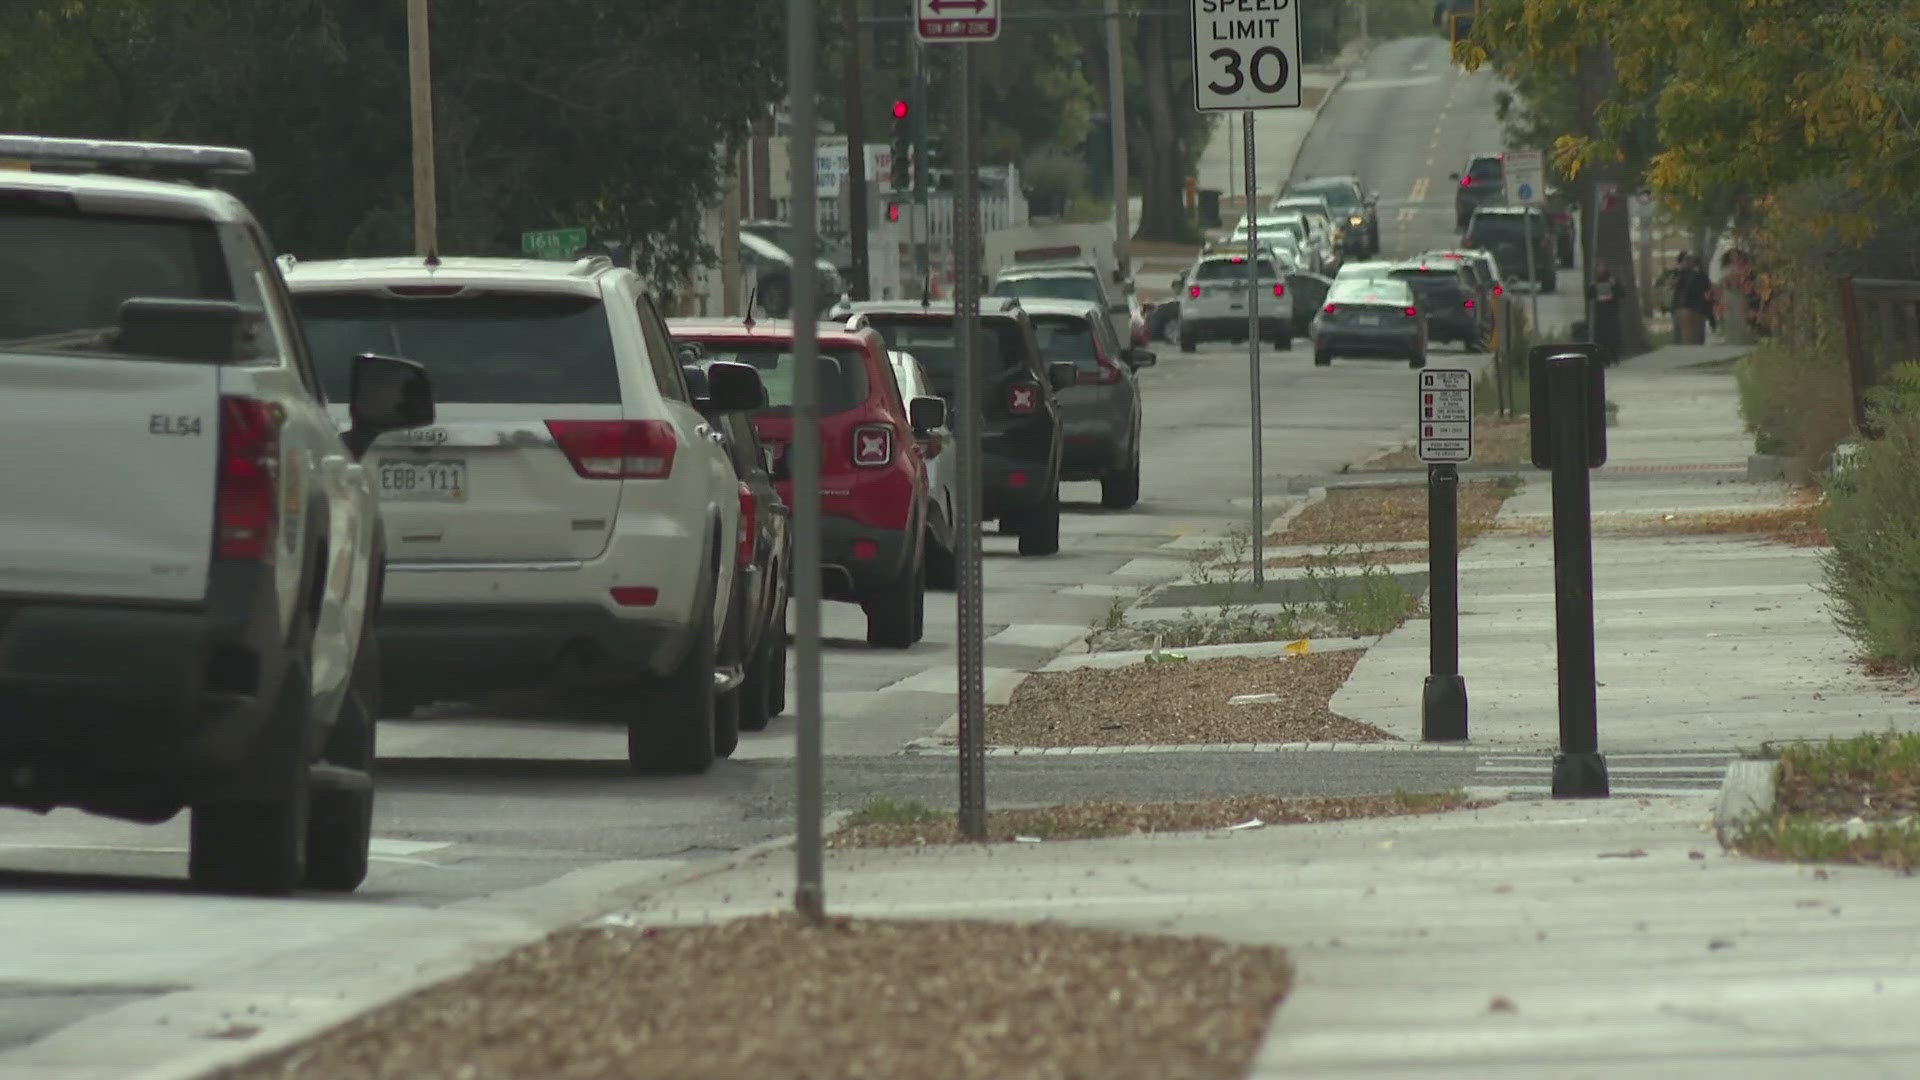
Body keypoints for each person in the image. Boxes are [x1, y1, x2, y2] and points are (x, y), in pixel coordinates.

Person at [1586, 258, 1623, 365]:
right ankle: (1604, 359)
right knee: (1602, 338)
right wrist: (1592, 287)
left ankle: (1614, 356)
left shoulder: (1613, 280)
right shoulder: (1597, 282)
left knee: (1612, 336)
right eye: (1599, 268)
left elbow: (1621, 294)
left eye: (1602, 267)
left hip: (1611, 312)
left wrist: (1614, 286)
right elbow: (1589, 296)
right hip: (1601, 313)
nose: (1600, 270)